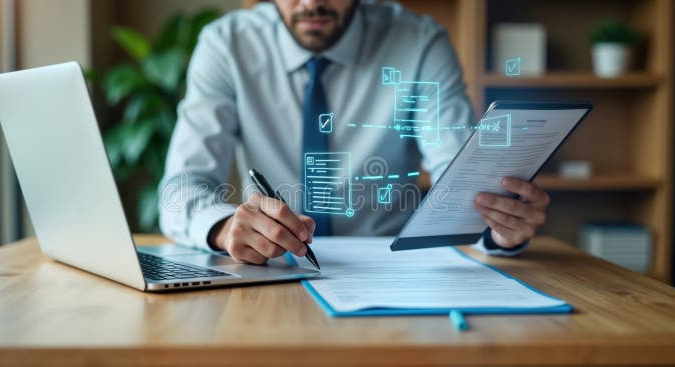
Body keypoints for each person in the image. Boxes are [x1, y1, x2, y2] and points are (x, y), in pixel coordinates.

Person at [159, 0, 550, 264]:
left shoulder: (419, 42)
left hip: (393, 268)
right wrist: (224, 228)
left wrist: (500, 226)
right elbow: (181, 188)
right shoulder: (226, 45)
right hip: (268, 268)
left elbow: (463, 179)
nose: (312, 3)